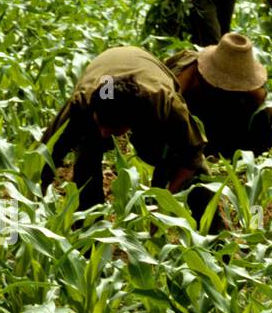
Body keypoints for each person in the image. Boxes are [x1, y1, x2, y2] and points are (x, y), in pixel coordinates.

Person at [39, 45, 221, 228]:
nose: (104, 133)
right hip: (106, 64)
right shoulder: (84, 101)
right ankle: (88, 229)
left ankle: (214, 235)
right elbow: (47, 153)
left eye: (113, 129)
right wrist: (31, 198)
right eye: (101, 124)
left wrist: (164, 201)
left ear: (132, 120)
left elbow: (191, 157)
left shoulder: (164, 104)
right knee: (87, 157)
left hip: (144, 67)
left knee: (182, 167)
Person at [165, 32, 272, 159]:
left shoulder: (248, 87)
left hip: (225, 130)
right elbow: (166, 109)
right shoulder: (190, 75)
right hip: (191, 127)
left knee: (260, 118)